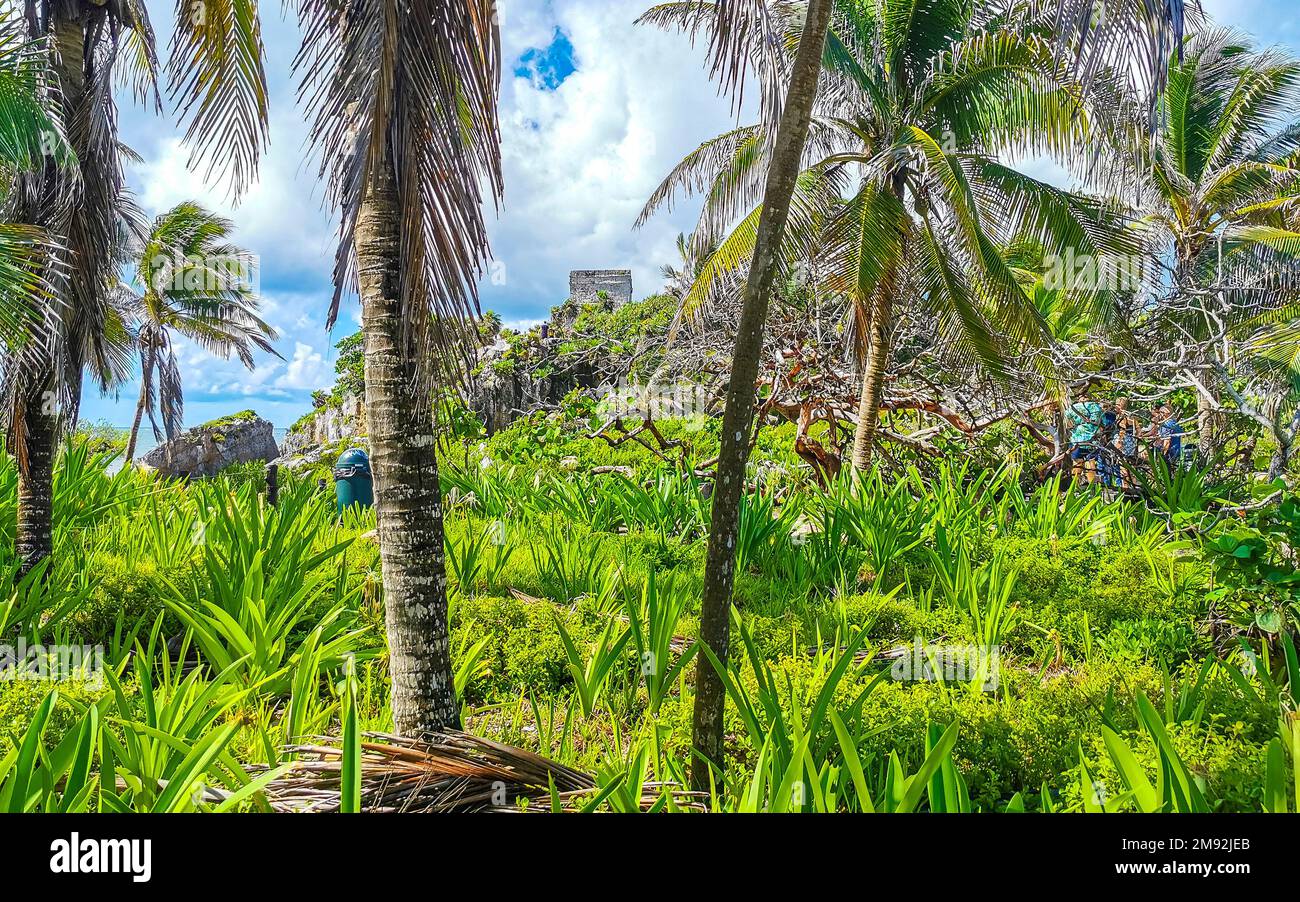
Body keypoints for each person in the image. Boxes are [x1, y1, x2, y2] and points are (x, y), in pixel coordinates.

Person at [1067, 398, 1103, 485]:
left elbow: (1068, 423)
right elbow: (1101, 422)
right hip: (1092, 441)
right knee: (1091, 463)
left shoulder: (1072, 408)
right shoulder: (1096, 407)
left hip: (1078, 440)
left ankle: (1075, 486)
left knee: (1077, 463)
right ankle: (1093, 488)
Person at [1112, 397, 1139, 489]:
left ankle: (1125, 487)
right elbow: (1138, 430)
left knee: (1123, 465)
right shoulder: (1131, 416)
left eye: (1117, 404)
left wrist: (1120, 442)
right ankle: (1134, 485)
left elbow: (1122, 429)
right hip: (1131, 442)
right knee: (1130, 465)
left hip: (1123, 443)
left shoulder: (1122, 416)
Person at [1154, 403, 1184, 468]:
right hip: (1178, 450)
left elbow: (1167, 441)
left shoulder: (1166, 425)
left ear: (1166, 413)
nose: (1160, 414)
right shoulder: (1175, 423)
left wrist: (1163, 455)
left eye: (1161, 412)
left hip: (1170, 452)